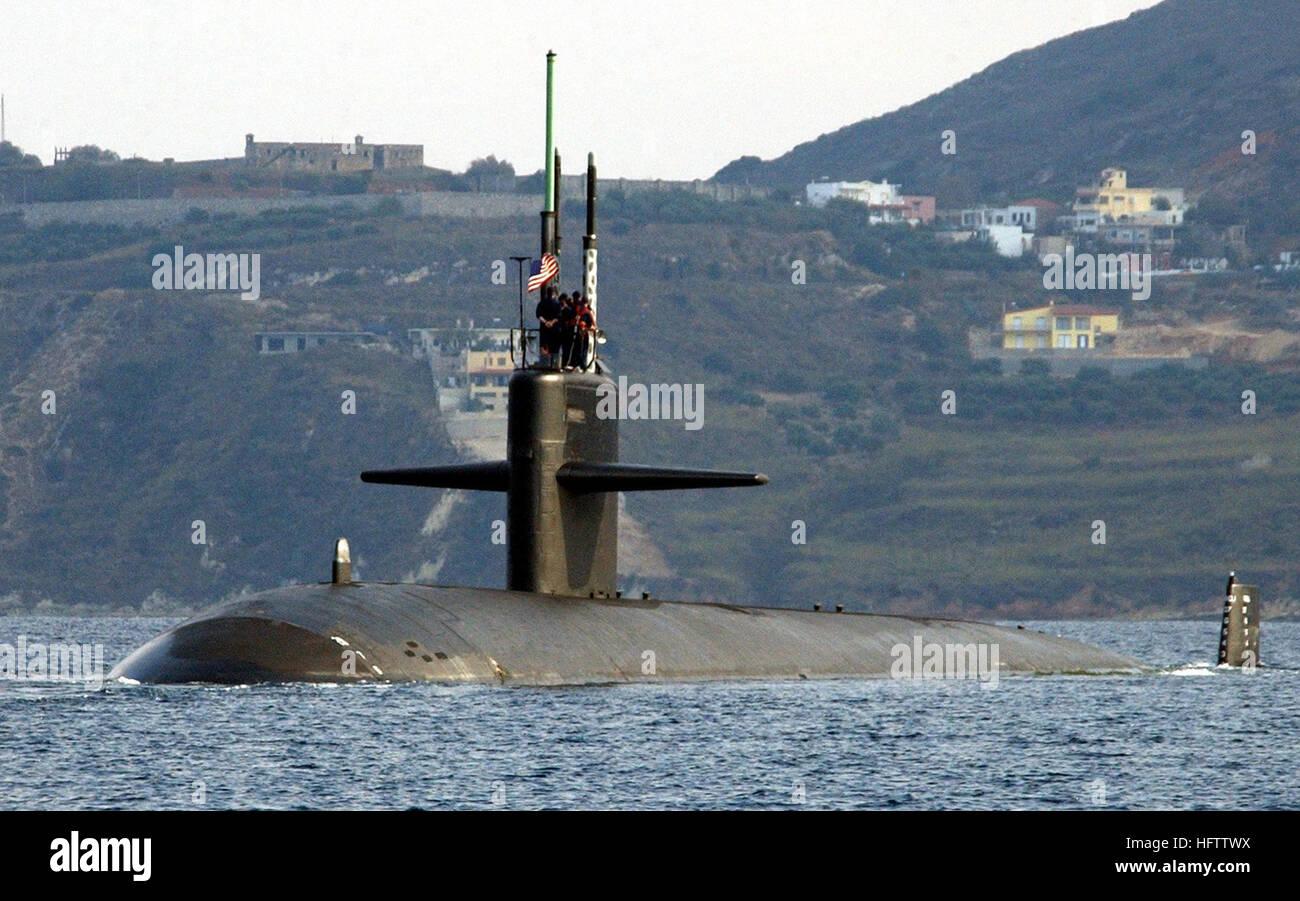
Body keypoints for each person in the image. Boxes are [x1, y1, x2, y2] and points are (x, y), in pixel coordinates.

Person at [535, 286, 562, 367]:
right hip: (554, 329)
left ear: (547, 293)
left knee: (544, 346)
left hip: (544, 328)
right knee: (554, 348)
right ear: (553, 293)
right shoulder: (557, 304)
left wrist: (546, 322)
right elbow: (559, 316)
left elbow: (538, 315)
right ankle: (554, 364)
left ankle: (544, 363)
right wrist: (551, 323)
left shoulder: (542, 303)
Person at [571, 292, 595, 369]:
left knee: (577, 349)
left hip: (577, 332)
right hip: (584, 333)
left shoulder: (577, 309)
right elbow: (591, 325)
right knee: (583, 350)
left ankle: (574, 364)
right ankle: (582, 365)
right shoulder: (588, 312)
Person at [558, 292, 577, 369]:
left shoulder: (566, 310)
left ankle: (563, 363)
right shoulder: (569, 309)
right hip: (567, 332)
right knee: (566, 349)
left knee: (565, 349)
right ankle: (564, 364)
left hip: (565, 332)